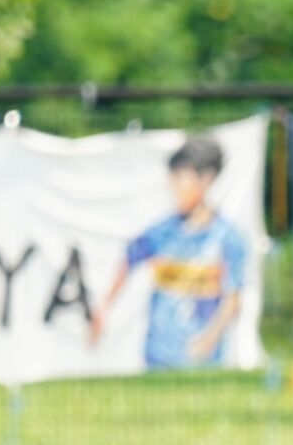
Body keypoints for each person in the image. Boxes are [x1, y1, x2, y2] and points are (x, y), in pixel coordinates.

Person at [88, 135, 250, 370]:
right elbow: (129, 259)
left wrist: (209, 339)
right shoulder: (161, 232)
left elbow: (232, 299)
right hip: (157, 356)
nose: (174, 188)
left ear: (206, 179)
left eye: (181, 180)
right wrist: (104, 308)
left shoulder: (227, 238)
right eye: (172, 180)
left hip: (204, 362)